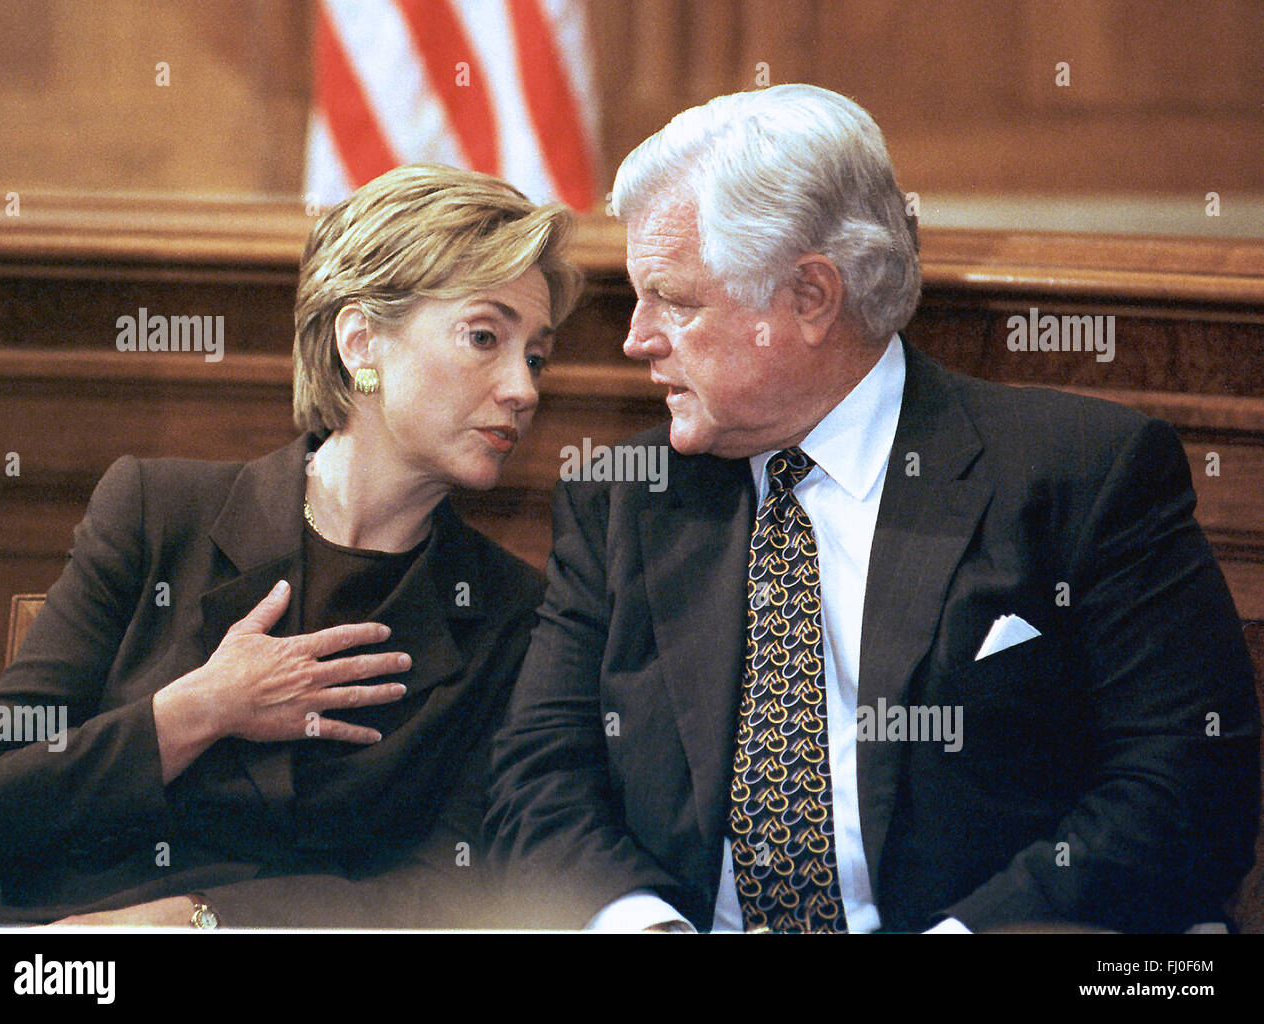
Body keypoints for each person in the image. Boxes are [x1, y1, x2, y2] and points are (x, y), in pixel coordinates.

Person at [485, 85, 1260, 933]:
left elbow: (1185, 785)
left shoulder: (1081, 475)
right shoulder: (625, 496)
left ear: (811, 298)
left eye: (676, 299)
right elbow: (541, 776)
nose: (637, 338)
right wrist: (643, 925)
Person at [0, 164, 582, 927]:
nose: (522, 388)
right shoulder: (158, 511)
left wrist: (199, 918)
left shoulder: (513, 613)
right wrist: (199, 709)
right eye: (485, 337)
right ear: (362, 342)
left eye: (536, 357)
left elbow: (444, 892)